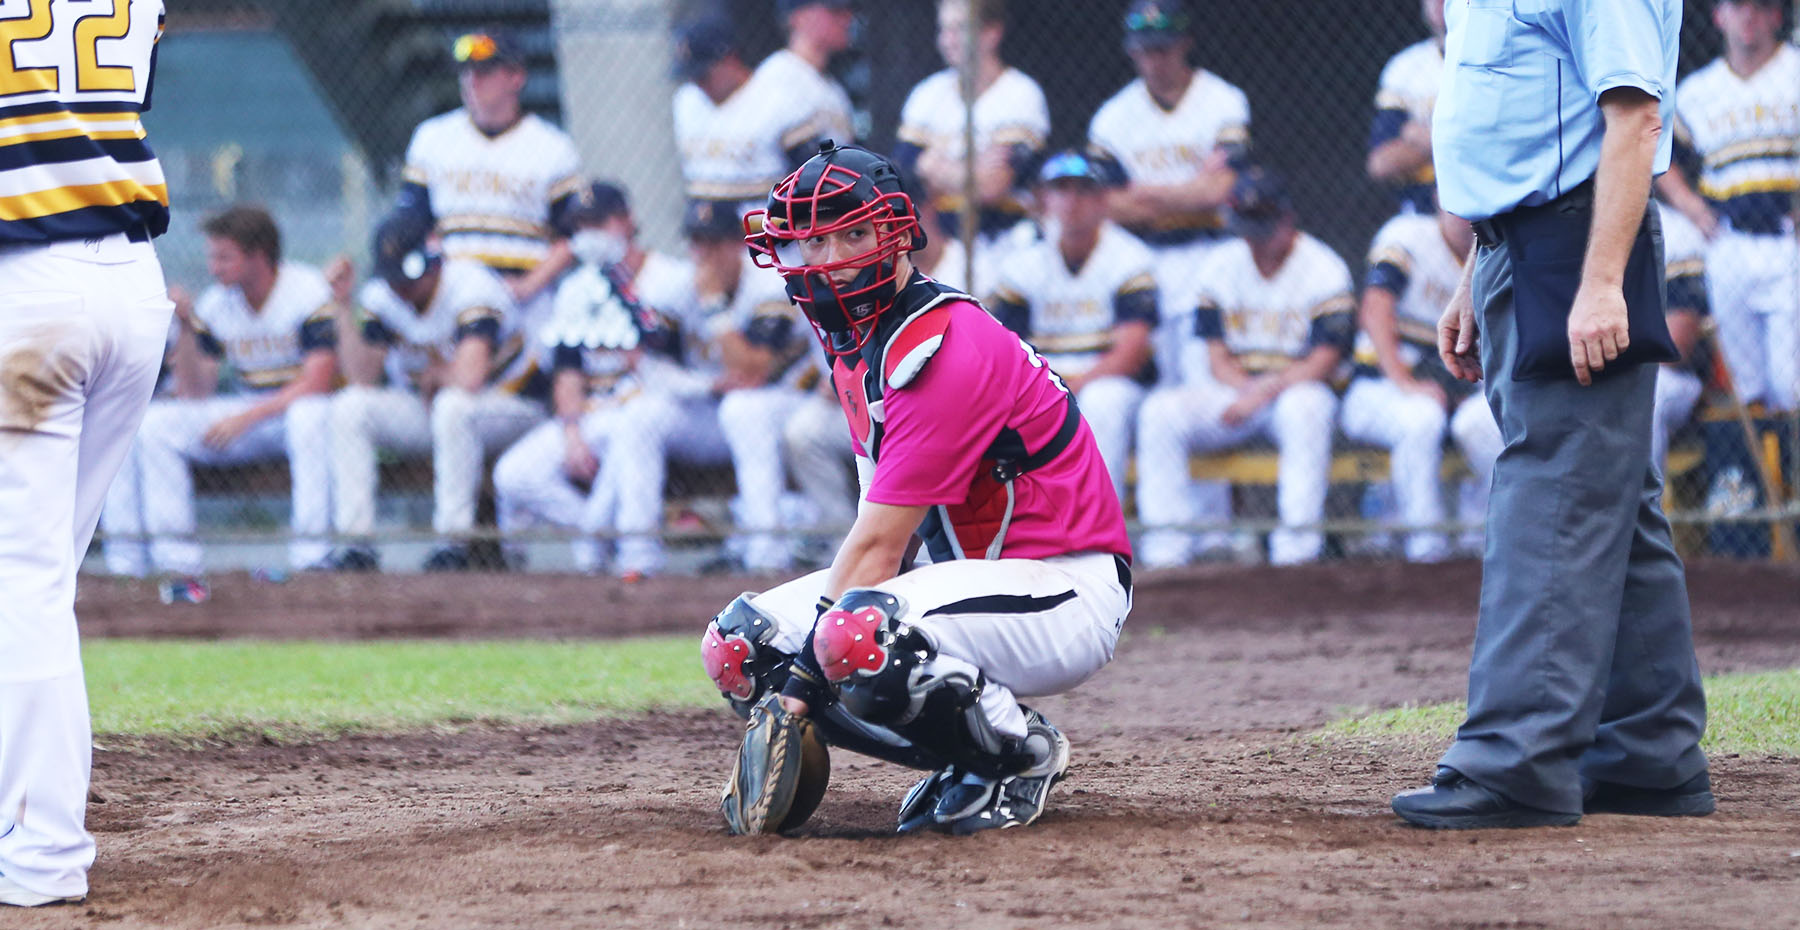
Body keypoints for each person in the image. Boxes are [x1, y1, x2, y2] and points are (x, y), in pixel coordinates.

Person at [702, 142, 1131, 834]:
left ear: (897, 234)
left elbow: (878, 551)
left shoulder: (939, 345)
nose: (829, 256)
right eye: (811, 241)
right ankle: (969, 745)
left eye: (851, 233)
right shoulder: (858, 344)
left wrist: (794, 702)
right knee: (742, 648)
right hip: (968, 576)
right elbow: (883, 548)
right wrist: (790, 678)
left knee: (854, 635)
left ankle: (1016, 753)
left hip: (1066, 584)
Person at [1392, 0, 1711, 830]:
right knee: (1607, 493)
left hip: (1576, 243)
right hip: (1521, 243)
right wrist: (1477, 271)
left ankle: (1516, 760)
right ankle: (1649, 753)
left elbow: (1637, 115)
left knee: (1554, 493)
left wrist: (1602, 282)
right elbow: (1524, 121)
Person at [0, 0, 169, 907]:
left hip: (26, 291)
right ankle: (15, 819)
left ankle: (43, 854)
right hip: (130, 287)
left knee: (20, 583)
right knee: (35, 580)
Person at [101, 206, 339, 581]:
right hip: (250, 415)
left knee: (309, 417)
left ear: (258, 255)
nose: (214, 267)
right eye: (213, 256)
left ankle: (313, 556)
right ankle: (173, 560)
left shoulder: (306, 289)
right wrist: (187, 328)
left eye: (224, 257)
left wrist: (245, 418)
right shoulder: (217, 302)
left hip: (298, 413)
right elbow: (195, 393)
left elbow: (317, 383)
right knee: (155, 425)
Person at [1134, 167, 1354, 567]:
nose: (1254, 239)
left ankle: (1297, 550)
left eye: (1263, 227)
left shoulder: (1325, 267)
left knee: (1307, 405)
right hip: (1236, 390)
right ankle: (1166, 549)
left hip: (1293, 390)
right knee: (1160, 412)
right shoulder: (1221, 264)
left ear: (1287, 219)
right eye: (1247, 227)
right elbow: (1215, 355)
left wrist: (1265, 391)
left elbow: (1325, 359)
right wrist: (1248, 391)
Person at [320, 211, 543, 572]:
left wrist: (438, 376)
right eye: (393, 278)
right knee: (350, 406)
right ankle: (356, 544)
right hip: (435, 410)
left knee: (454, 405)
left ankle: (453, 543)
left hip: (509, 405)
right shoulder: (381, 296)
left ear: (435, 262)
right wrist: (342, 308)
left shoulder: (472, 285)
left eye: (409, 277)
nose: (400, 288)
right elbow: (362, 376)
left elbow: (470, 378)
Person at [490, 183, 689, 573]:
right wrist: (571, 432)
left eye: (598, 222)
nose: (589, 234)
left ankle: (635, 557)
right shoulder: (574, 288)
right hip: (595, 413)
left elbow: (677, 363)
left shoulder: (669, 278)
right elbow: (568, 369)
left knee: (635, 430)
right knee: (513, 475)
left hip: (649, 410)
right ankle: (598, 533)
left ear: (627, 220)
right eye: (579, 226)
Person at [602, 200, 794, 578]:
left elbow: (752, 371)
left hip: (784, 403)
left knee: (744, 407)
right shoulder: (676, 287)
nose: (703, 255)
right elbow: (650, 368)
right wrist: (706, 384)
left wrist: (712, 305)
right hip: (712, 406)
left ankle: (766, 554)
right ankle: (637, 556)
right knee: (640, 414)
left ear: (736, 245)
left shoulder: (769, 284)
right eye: (696, 243)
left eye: (713, 244)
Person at [989, 149, 1160, 503]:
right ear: (1044, 199)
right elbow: (1003, 348)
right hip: (1041, 380)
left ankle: (1099, 524)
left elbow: (1131, 353)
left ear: (1102, 200)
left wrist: (1072, 385)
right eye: (1061, 189)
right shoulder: (1021, 263)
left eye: (1083, 190)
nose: (1072, 200)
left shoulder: (1131, 258)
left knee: (1104, 402)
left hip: (1108, 381)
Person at [1656, 0, 1798, 415]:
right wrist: (1690, 206)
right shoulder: (1699, 91)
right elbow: (1658, 151)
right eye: (1737, 6)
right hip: (1728, 240)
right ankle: (1768, 478)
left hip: (1788, 241)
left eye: (1760, 6)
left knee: (1790, 386)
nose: (1748, 16)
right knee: (1747, 388)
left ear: (1777, 16)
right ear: (1719, 17)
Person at [396, 29, 582, 326]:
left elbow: (571, 238)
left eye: (485, 71)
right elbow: (411, 221)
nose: (472, 80)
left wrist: (528, 286)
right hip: (450, 293)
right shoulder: (432, 137)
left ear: (515, 77)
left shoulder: (552, 146)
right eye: (466, 72)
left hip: (526, 299)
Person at [1338, 204, 1490, 563]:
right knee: (1421, 417)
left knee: (1485, 422)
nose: (1465, 213)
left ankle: (1480, 540)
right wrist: (1404, 382)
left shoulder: (1496, 249)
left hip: (1456, 393)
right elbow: (1375, 309)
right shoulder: (1408, 234)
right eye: (1457, 201)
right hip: (1378, 387)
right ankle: (1427, 548)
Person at [895, 0, 1050, 285]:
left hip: (1005, 241)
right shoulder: (927, 95)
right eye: (944, 29)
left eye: (959, 29)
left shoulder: (1020, 93)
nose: (948, 40)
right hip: (940, 242)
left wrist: (933, 165)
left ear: (991, 32)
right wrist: (973, 170)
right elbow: (903, 176)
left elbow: (994, 186)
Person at [671, 6, 857, 217]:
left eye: (704, 74)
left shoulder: (780, 97)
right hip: (709, 237)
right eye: (692, 76)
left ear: (730, 58)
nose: (698, 83)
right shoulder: (686, 101)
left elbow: (817, 179)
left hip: (770, 237)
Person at [1366, 0, 1447, 216]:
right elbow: (1381, 163)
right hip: (1423, 212)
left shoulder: (1496, 60)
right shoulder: (1406, 68)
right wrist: (1458, 143)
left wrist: (1426, 139)